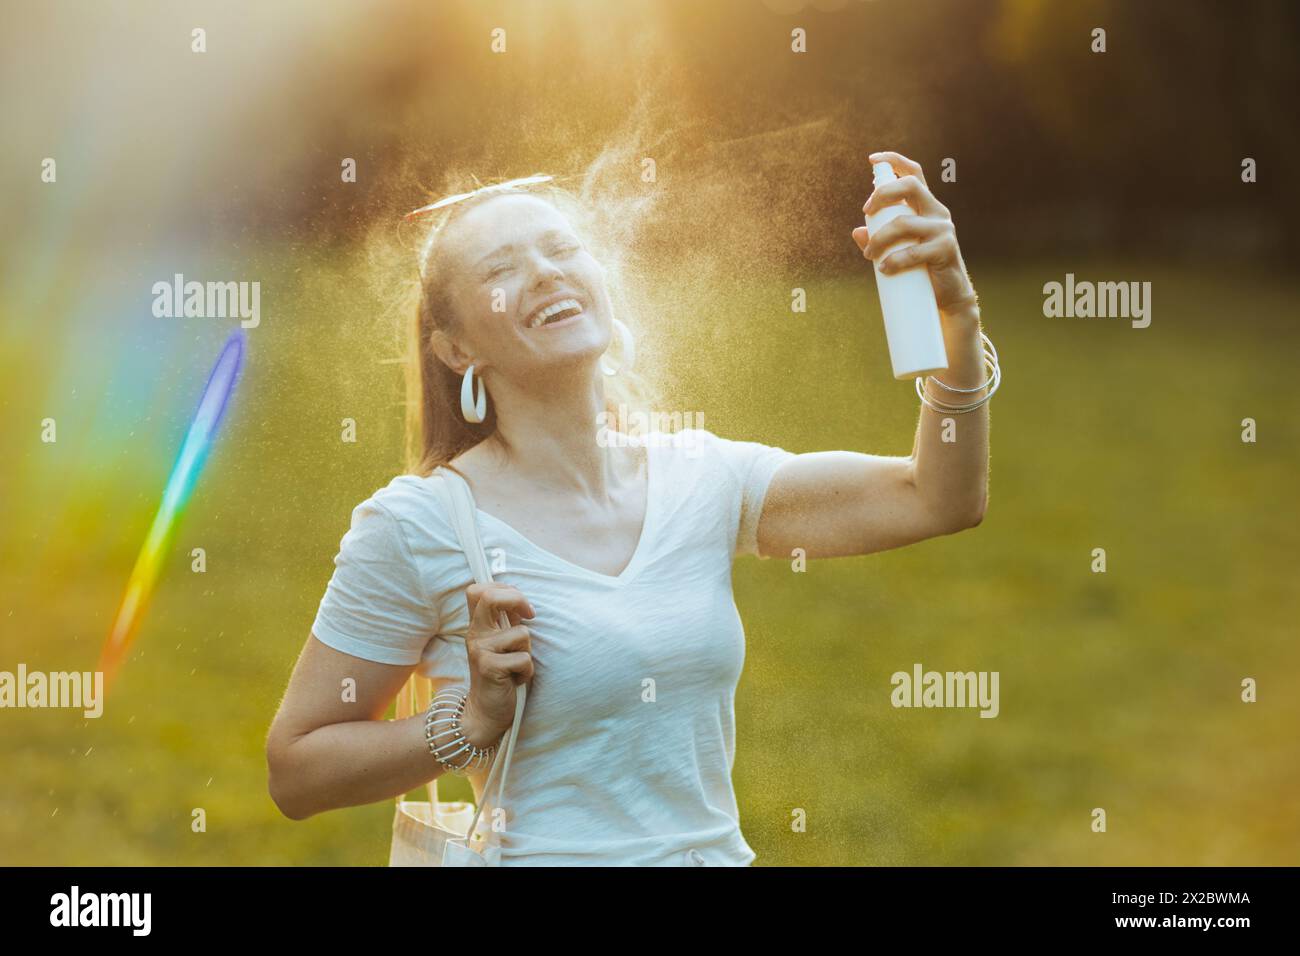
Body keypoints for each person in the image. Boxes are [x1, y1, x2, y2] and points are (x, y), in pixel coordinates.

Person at [265, 151, 992, 865]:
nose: (544, 272)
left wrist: (957, 319)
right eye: (500, 269)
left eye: (561, 249)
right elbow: (297, 771)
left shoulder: (702, 477)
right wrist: (472, 721)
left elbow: (936, 498)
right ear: (455, 349)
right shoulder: (417, 526)